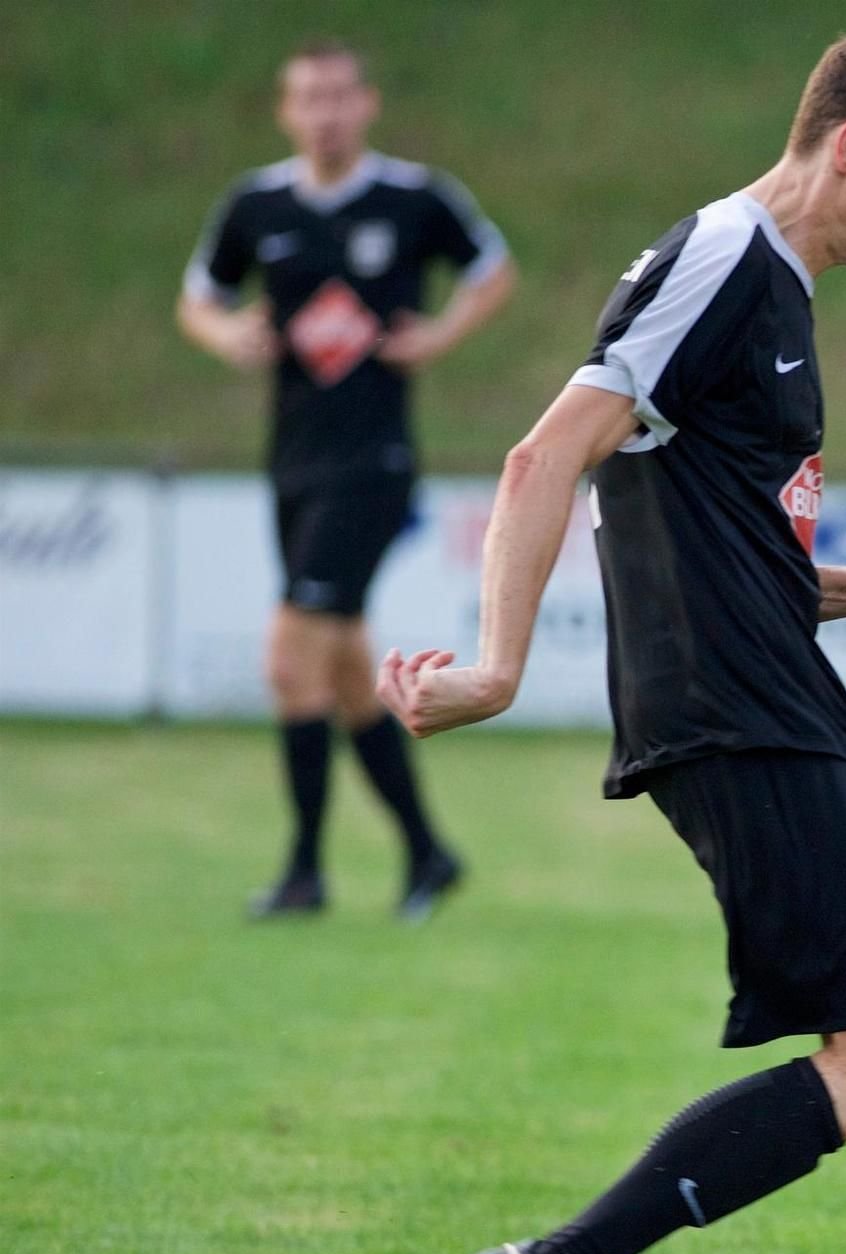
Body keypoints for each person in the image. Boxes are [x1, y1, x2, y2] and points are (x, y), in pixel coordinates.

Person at [375, 26, 846, 1254]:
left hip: (792, 695)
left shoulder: (770, 284)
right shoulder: (721, 259)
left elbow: (714, 521)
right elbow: (553, 451)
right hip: (736, 718)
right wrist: (495, 663)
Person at [177, 39, 514, 921]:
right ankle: (428, 854)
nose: (325, 112)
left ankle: (303, 872)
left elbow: (492, 270)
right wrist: (228, 337)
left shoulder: (412, 197)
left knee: (290, 661)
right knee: (347, 672)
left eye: (339, 96)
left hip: (375, 464)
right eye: (308, 98)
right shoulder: (257, 204)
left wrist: (437, 337)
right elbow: (198, 299)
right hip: (293, 460)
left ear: (365, 104)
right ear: (287, 111)